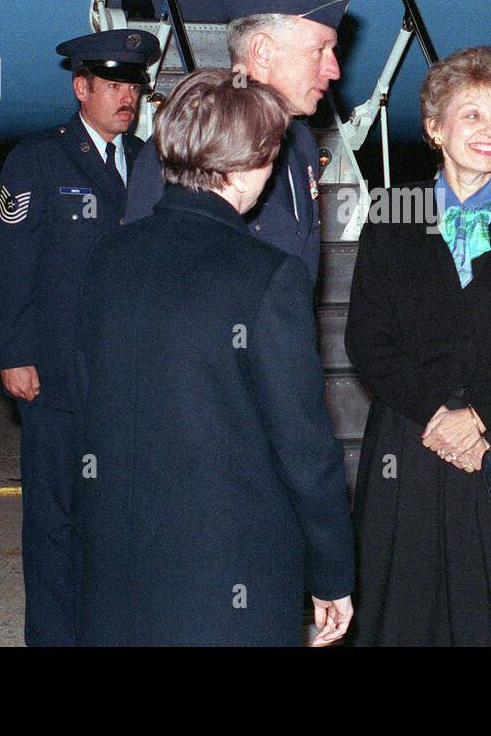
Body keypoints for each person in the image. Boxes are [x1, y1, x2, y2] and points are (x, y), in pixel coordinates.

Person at [73, 69, 355, 646]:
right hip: (223, 572)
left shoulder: (108, 256)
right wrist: (332, 571)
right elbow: (304, 446)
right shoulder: (269, 277)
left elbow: (89, 400)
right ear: (247, 164)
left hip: (114, 558)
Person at [345, 46, 491, 646]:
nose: (490, 130)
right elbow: (368, 340)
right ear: (434, 127)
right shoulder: (390, 214)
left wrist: (478, 416)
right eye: (472, 114)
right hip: (412, 445)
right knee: (404, 619)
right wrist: (438, 417)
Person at [0, 28, 159, 646]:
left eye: (132, 84)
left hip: (127, 382)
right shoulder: (37, 160)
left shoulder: (148, 164)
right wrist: (14, 354)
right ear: (80, 87)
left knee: (116, 521)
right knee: (55, 522)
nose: (125, 96)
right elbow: (8, 266)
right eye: (112, 84)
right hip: (54, 376)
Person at [124, 0, 350, 283]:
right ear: (262, 51)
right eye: (319, 50)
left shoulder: (300, 146)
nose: (334, 69)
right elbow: (145, 282)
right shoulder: (182, 149)